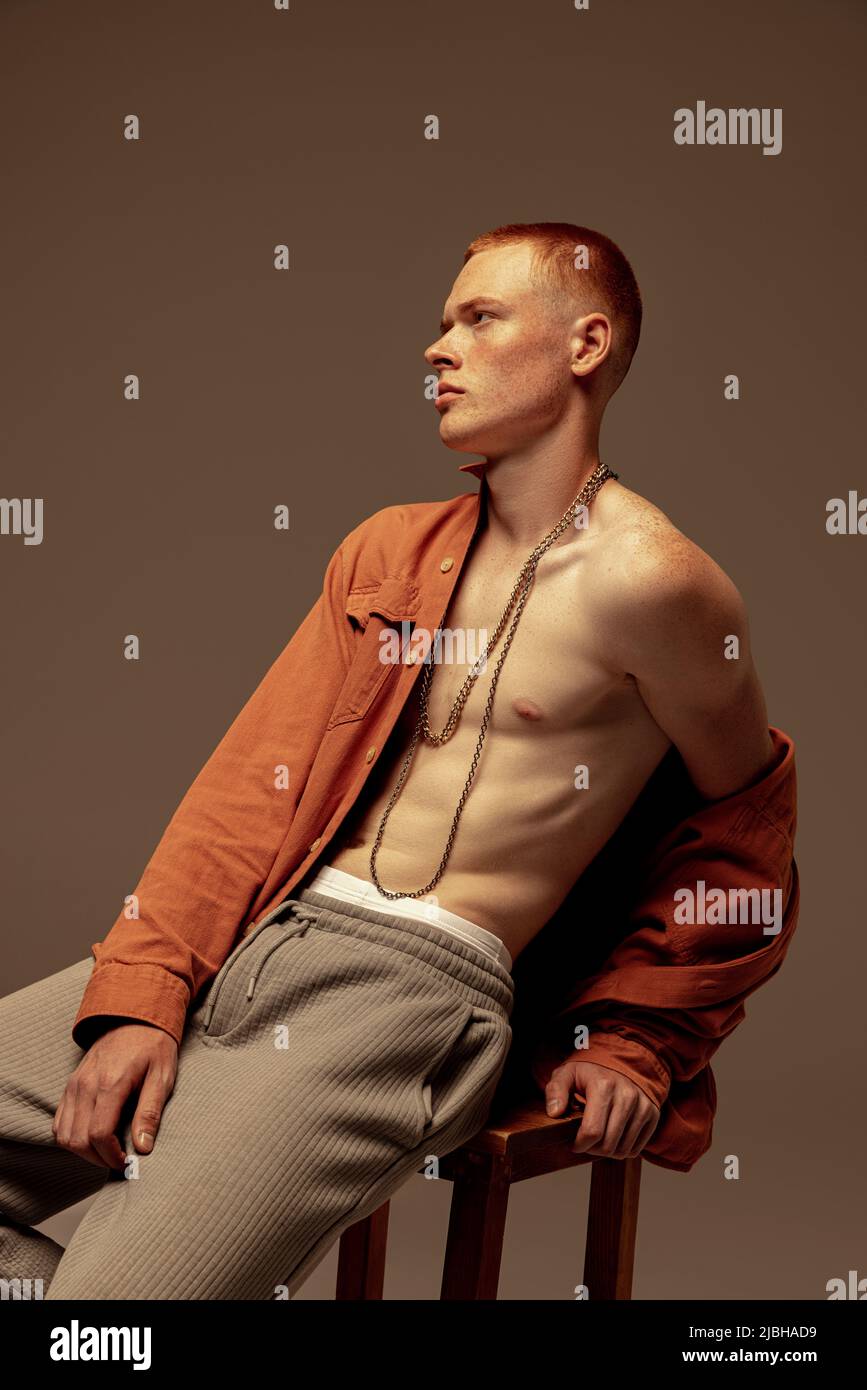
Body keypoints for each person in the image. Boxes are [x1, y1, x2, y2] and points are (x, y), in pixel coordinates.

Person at [0, 222, 795, 1300]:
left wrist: (634, 1042)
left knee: (116, 1311)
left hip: (406, 992)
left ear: (586, 344)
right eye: (439, 322)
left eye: (479, 318)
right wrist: (144, 995)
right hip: (259, 928)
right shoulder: (387, 552)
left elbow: (749, 843)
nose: (438, 347)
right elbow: (247, 787)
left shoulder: (659, 584)